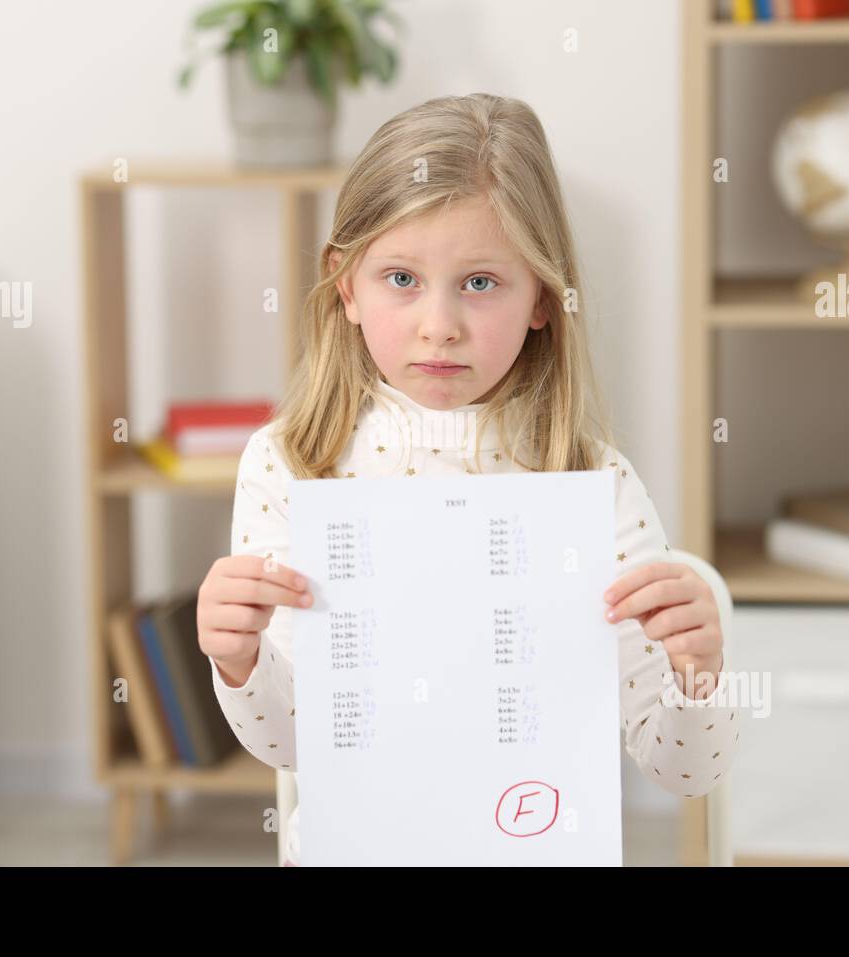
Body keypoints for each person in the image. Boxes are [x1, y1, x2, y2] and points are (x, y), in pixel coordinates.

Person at [196, 93, 739, 866]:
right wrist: (239, 660)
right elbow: (292, 743)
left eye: (480, 282)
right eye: (401, 278)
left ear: (543, 299)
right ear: (345, 285)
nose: (440, 323)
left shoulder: (590, 482)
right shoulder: (291, 464)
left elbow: (685, 768)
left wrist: (697, 675)